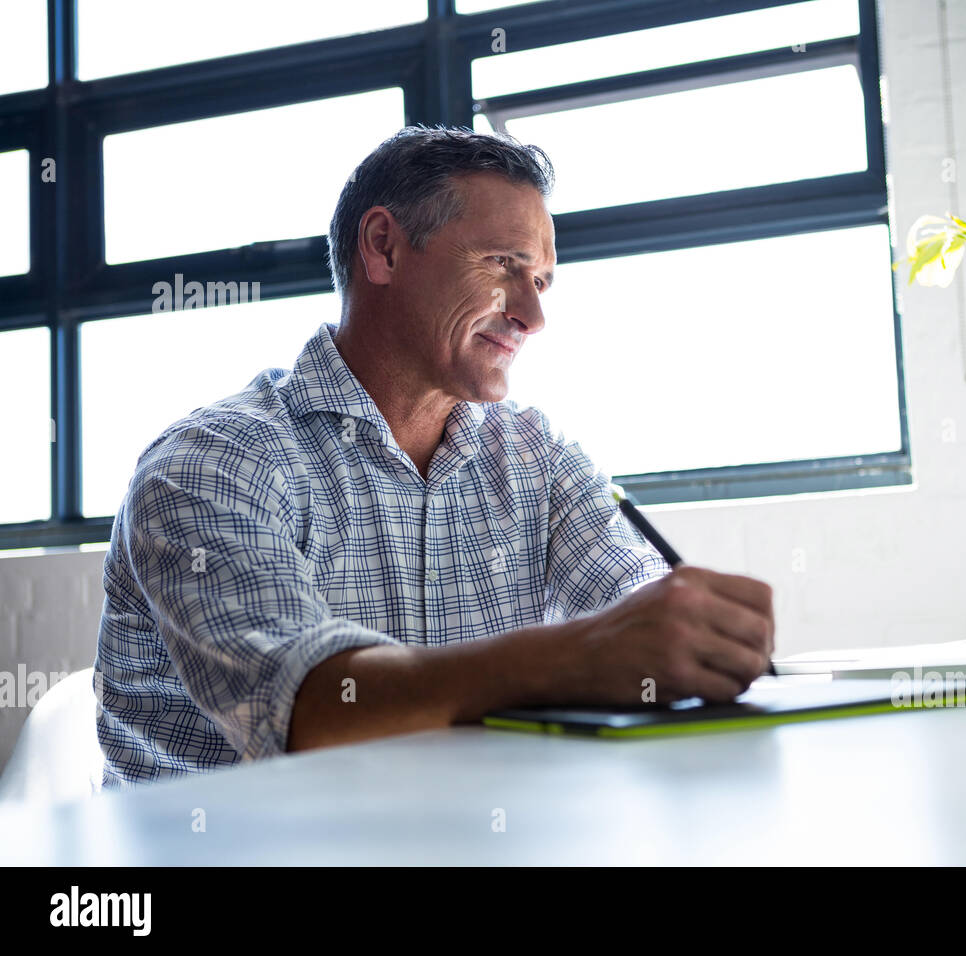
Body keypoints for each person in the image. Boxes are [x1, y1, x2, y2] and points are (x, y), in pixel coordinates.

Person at [94, 126, 775, 788]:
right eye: (504, 265)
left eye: (541, 280)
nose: (533, 317)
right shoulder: (211, 466)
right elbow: (312, 713)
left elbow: (632, 600)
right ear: (384, 248)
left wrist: (688, 638)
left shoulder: (539, 458)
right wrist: (584, 653)